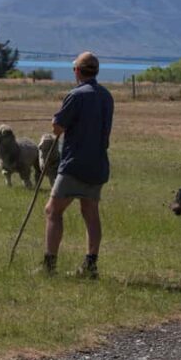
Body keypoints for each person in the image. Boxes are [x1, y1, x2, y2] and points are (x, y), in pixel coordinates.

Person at [41, 51, 114, 278]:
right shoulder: (106, 96)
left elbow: (57, 128)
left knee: (52, 210)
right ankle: (90, 266)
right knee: (90, 212)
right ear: (96, 71)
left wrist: (55, 121)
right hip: (98, 164)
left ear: (77, 71)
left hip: (74, 164)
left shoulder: (76, 95)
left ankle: (49, 266)